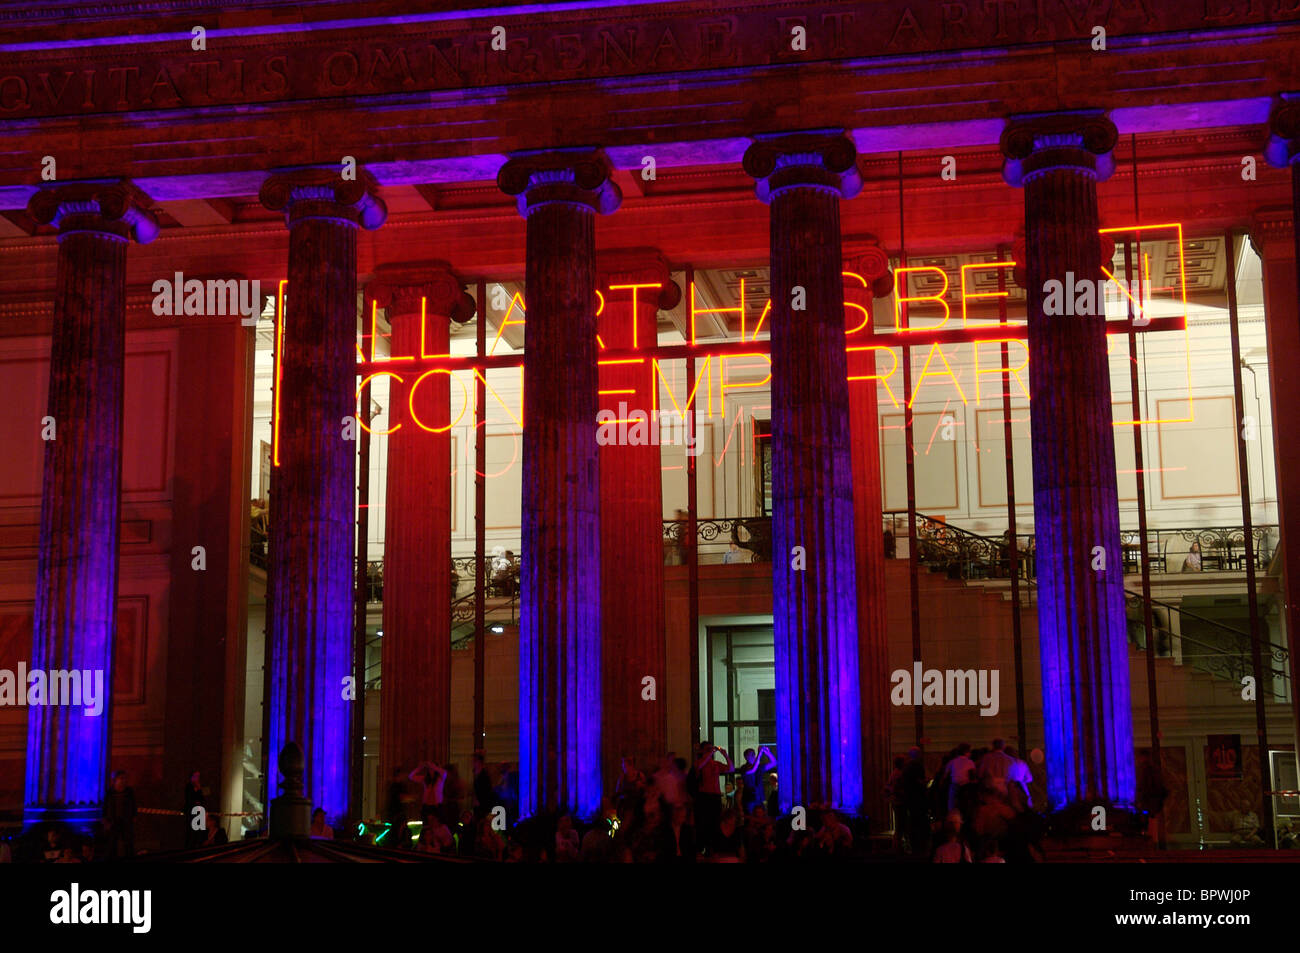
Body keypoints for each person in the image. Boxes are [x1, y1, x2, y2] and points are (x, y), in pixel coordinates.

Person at [693, 741, 733, 849]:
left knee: (716, 821)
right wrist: (709, 753)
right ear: (702, 751)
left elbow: (731, 768)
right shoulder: (699, 762)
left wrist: (725, 755)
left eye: (711, 748)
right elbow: (699, 766)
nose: (710, 750)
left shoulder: (715, 764)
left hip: (715, 796)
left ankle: (714, 846)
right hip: (704, 796)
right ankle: (703, 846)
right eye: (707, 749)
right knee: (704, 822)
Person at [900, 747, 930, 856]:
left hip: (909, 798)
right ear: (918, 755)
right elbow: (920, 781)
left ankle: (913, 845)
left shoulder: (906, 767)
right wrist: (926, 782)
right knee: (920, 821)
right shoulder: (918, 766)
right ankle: (921, 845)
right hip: (918, 798)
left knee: (912, 821)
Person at [104, 769, 137, 860]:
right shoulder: (110, 792)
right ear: (115, 780)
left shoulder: (129, 791)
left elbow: (133, 805)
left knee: (128, 842)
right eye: (121, 778)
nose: (124, 780)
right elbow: (106, 806)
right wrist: (105, 820)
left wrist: (133, 816)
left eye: (125, 778)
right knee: (112, 842)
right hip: (113, 820)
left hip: (126, 820)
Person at [734, 745, 775, 815]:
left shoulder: (759, 767)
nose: (754, 756)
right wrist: (760, 753)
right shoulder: (744, 768)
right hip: (750, 798)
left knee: (762, 818)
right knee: (751, 818)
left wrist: (768, 752)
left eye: (754, 754)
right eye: (751, 754)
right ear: (746, 757)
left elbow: (774, 763)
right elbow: (753, 769)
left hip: (759, 797)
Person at [409, 760, 447, 827]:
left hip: (437, 806)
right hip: (427, 806)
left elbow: (444, 772)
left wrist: (433, 766)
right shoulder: (425, 779)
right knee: (426, 826)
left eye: (432, 768)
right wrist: (420, 767)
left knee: (438, 826)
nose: (431, 770)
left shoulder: (440, 778)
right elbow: (411, 776)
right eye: (429, 769)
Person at [384, 767, 413, 848]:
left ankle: (395, 845)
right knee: (399, 829)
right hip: (397, 812)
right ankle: (398, 845)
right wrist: (412, 797)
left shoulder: (393, 786)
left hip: (394, 812)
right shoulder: (397, 786)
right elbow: (402, 797)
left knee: (396, 830)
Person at [885, 755, 907, 851]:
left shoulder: (894, 773)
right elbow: (897, 788)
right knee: (900, 825)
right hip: (899, 802)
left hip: (896, 801)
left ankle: (897, 845)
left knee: (899, 825)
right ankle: (897, 846)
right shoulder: (899, 774)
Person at [184, 770, 207, 849]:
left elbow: (203, 798)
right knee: (191, 833)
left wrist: (199, 789)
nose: (197, 778)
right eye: (195, 776)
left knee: (198, 833)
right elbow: (189, 799)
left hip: (199, 812)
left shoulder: (199, 786)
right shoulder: (188, 787)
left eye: (198, 776)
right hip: (192, 813)